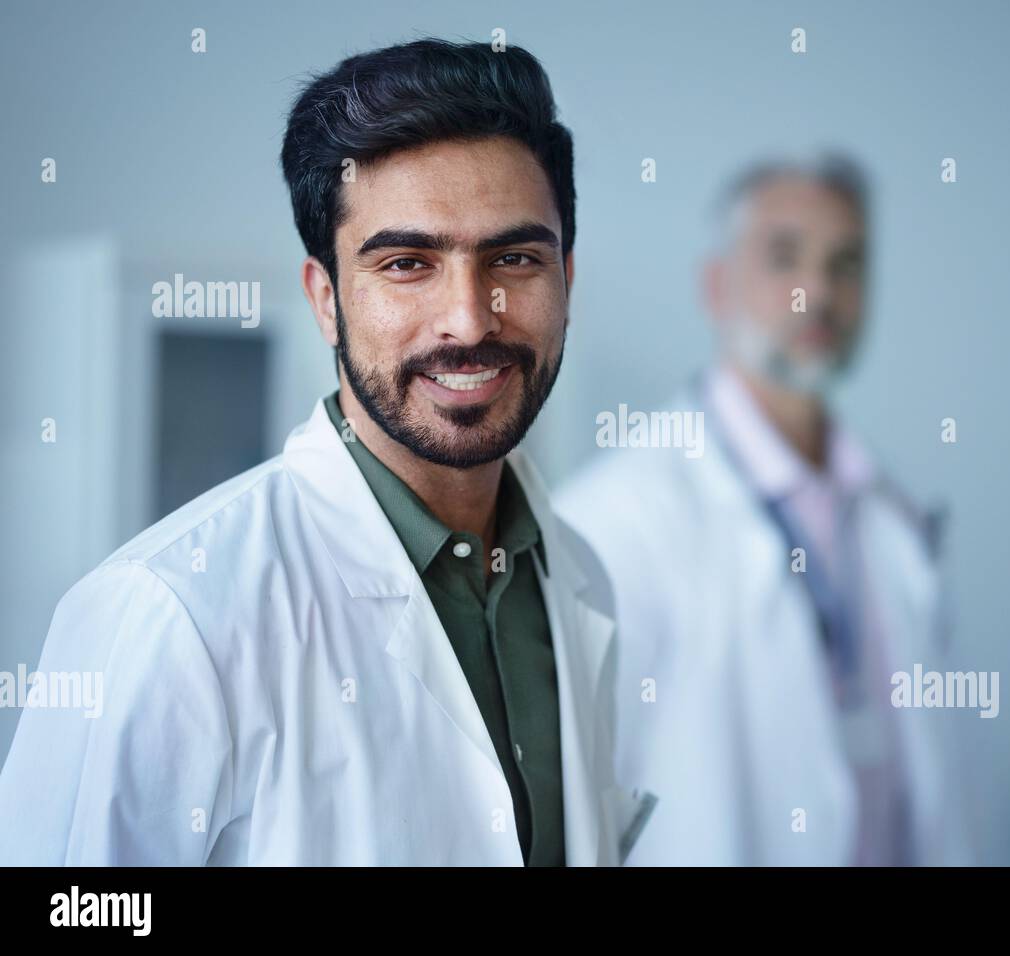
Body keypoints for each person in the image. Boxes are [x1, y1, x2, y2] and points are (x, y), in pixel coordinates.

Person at [0, 37, 639, 866]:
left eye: (513, 259)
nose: (468, 319)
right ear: (325, 299)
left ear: (566, 281)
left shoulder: (578, 576)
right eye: (407, 264)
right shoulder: (167, 613)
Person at [557, 154, 975, 865]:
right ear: (717, 286)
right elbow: (573, 810)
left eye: (846, 264)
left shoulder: (889, 515)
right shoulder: (618, 520)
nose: (820, 291)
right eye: (785, 257)